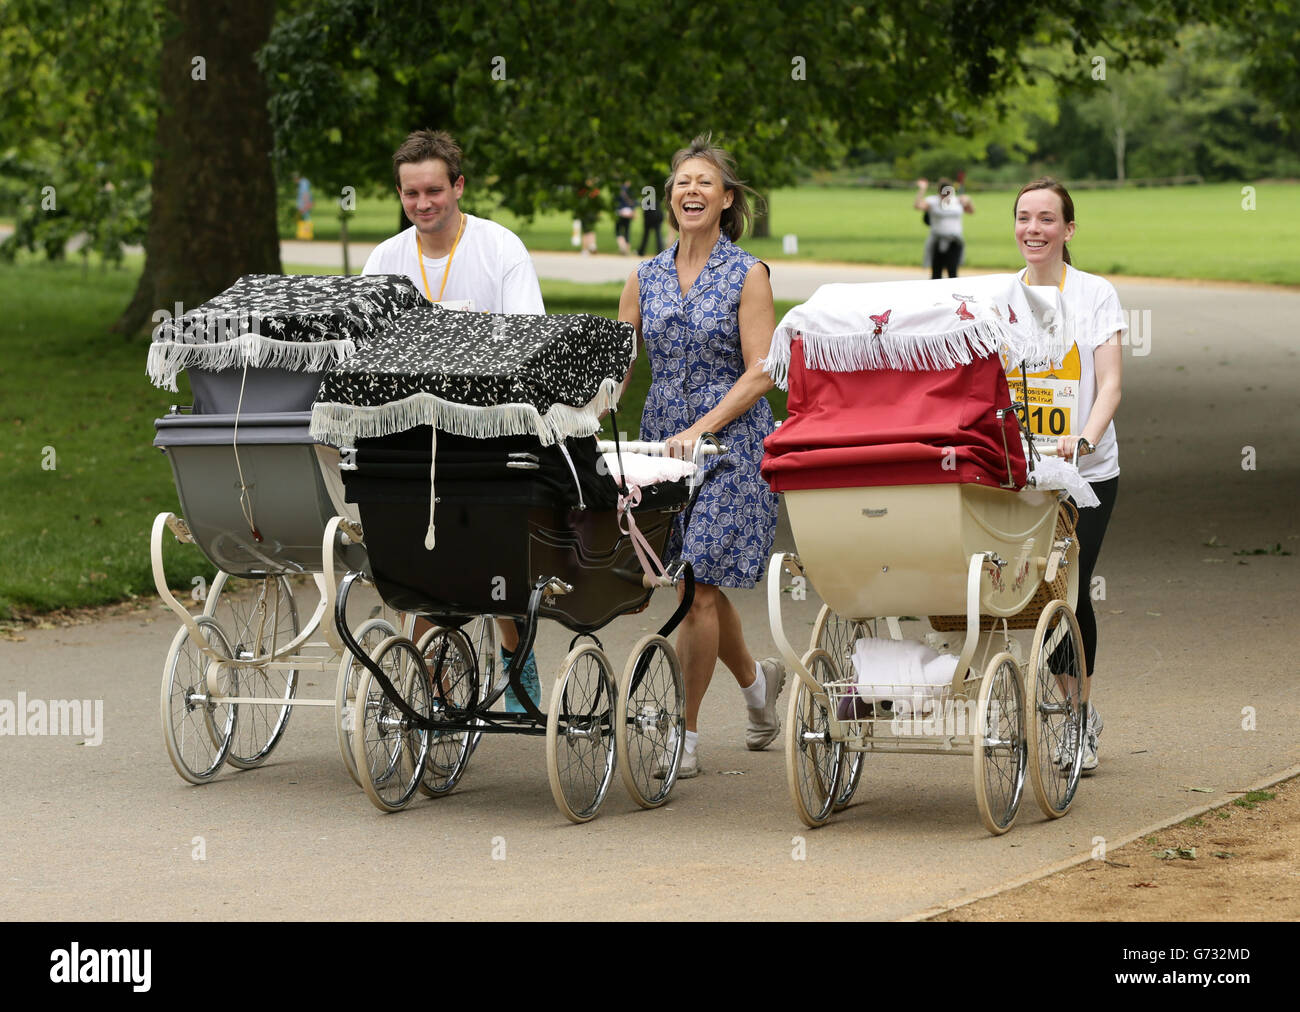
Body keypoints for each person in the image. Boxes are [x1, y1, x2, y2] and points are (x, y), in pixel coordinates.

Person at [617, 134, 785, 778]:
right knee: (696, 583)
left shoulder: (748, 273)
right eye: (682, 182)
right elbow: (622, 363)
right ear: (670, 198)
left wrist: (704, 425)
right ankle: (756, 687)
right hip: (663, 446)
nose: (691, 191)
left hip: (732, 444)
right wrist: (577, 411)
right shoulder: (645, 275)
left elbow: (762, 371)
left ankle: (683, 737)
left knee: (698, 585)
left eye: (704, 183)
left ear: (727, 200)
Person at [363, 129, 546, 711]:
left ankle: (518, 657)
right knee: (413, 551)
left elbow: (528, 335)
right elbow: (366, 352)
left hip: (488, 428)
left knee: (494, 548)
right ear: (399, 193)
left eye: (435, 190)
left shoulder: (499, 248)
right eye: (412, 193)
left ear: (458, 186)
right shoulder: (385, 259)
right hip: (411, 432)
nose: (424, 204)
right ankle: (427, 671)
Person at [1011, 176, 1124, 774]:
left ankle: (1078, 718)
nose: (1034, 228)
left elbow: (1109, 384)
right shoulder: (1000, 297)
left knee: (1070, 591)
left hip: (1086, 475)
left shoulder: (1095, 294)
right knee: (1025, 592)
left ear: (1068, 229)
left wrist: (1084, 438)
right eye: (1025, 217)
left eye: (1047, 219)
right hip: (1018, 475)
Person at [915, 177, 973, 278]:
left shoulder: (957, 201)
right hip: (937, 241)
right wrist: (922, 189)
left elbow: (970, 211)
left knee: (952, 272)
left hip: (954, 241)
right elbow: (917, 206)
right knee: (936, 273)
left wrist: (968, 200)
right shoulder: (932, 201)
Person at [613, 180, 635, 255]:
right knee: (627, 231)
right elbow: (633, 202)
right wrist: (633, 211)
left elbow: (615, 201)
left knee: (618, 230)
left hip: (620, 211)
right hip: (628, 212)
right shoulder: (631, 190)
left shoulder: (618, 189)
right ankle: (627, 250)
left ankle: (622, 247)